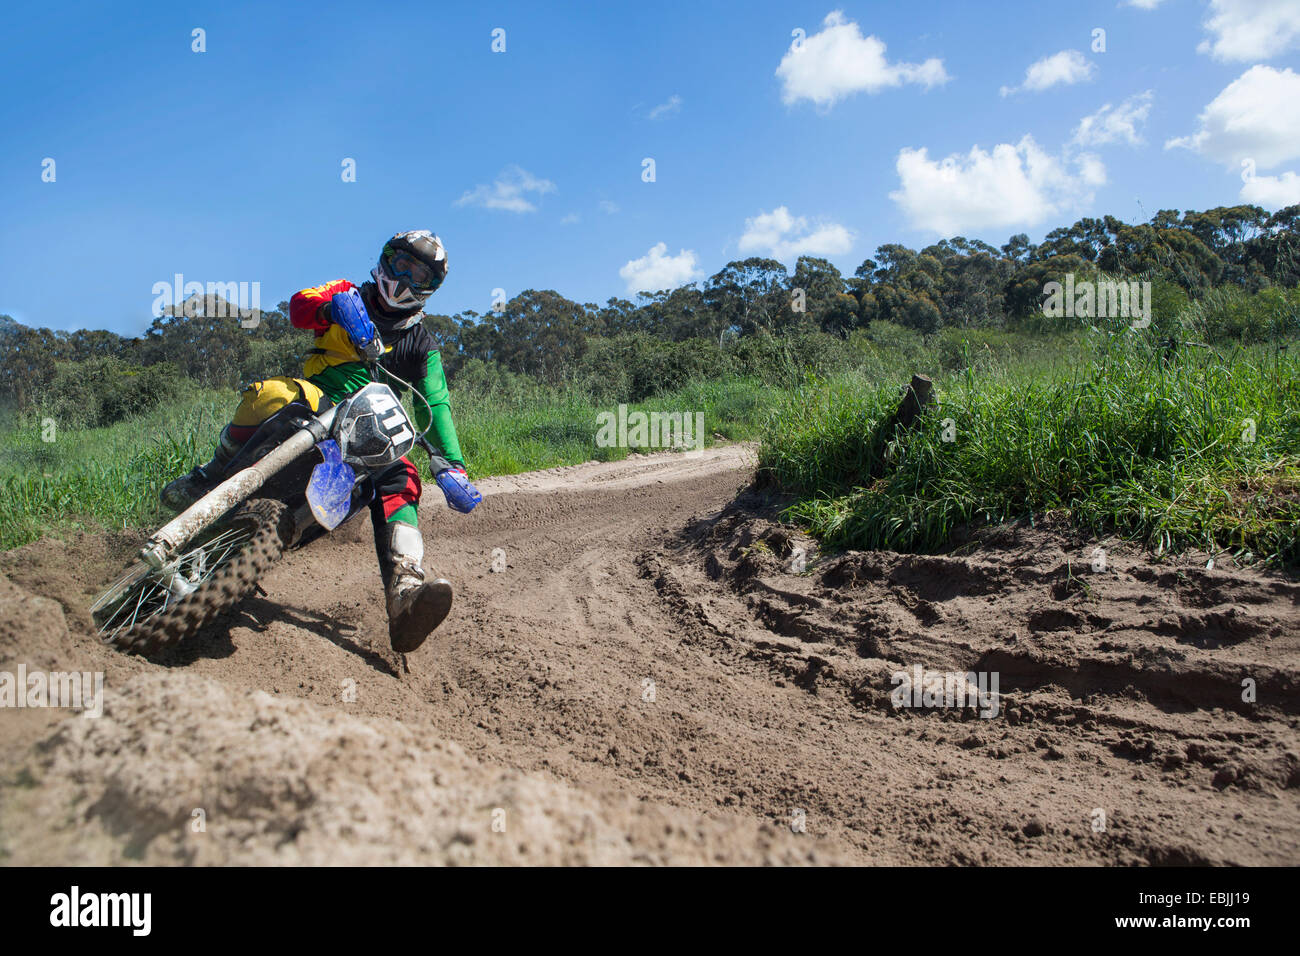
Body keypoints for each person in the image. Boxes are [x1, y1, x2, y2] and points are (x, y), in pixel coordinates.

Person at [161, 230, 469, 652]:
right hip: (320, 400)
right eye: (402, 265)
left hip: (369, 429)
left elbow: (434, 402)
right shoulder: (349, 293)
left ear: (430, 290)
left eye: (420, 276)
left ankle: (405, 594)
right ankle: (208, 476)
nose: (406, 279)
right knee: (270, 394)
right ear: (387, 260)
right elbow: (298, 308)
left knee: (402, 475)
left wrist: (451, 465)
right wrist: (333, 308)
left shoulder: (422, 343)